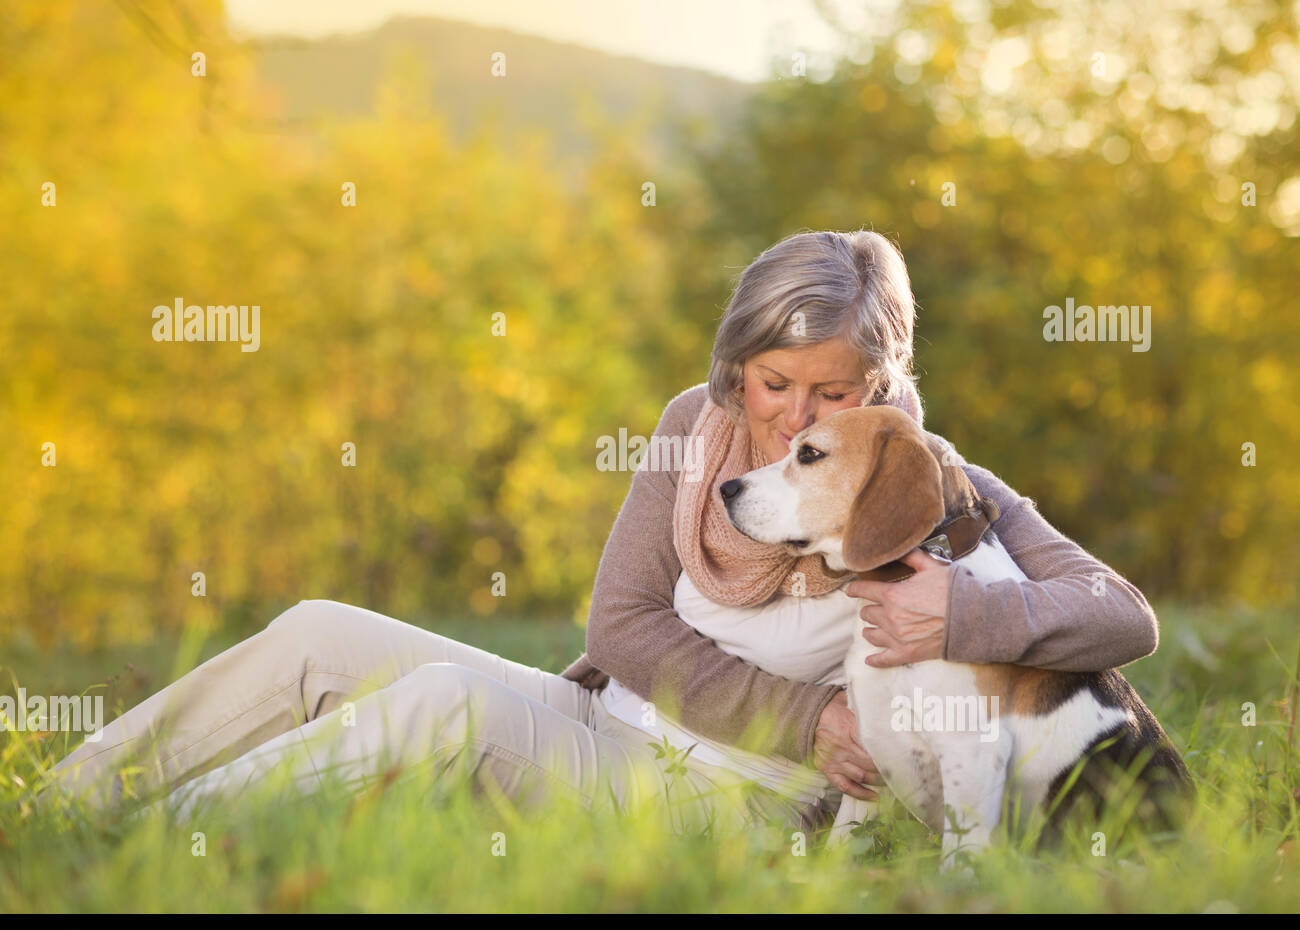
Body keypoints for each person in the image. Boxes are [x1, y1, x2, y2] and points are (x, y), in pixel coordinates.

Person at [39, 229, 1158, 838]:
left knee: (446, 708)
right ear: (736, 369)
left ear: (884, 381)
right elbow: (617, 625)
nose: (797, 419)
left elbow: (1124, 615)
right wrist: (811, 707)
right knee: (320, 627)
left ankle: (150, 851)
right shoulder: (694, 430)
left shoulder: (929, 487)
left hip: (723, 797)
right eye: (775, 383)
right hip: (600, 711)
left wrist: (961, 608)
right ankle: (58, 810)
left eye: (838, 390)